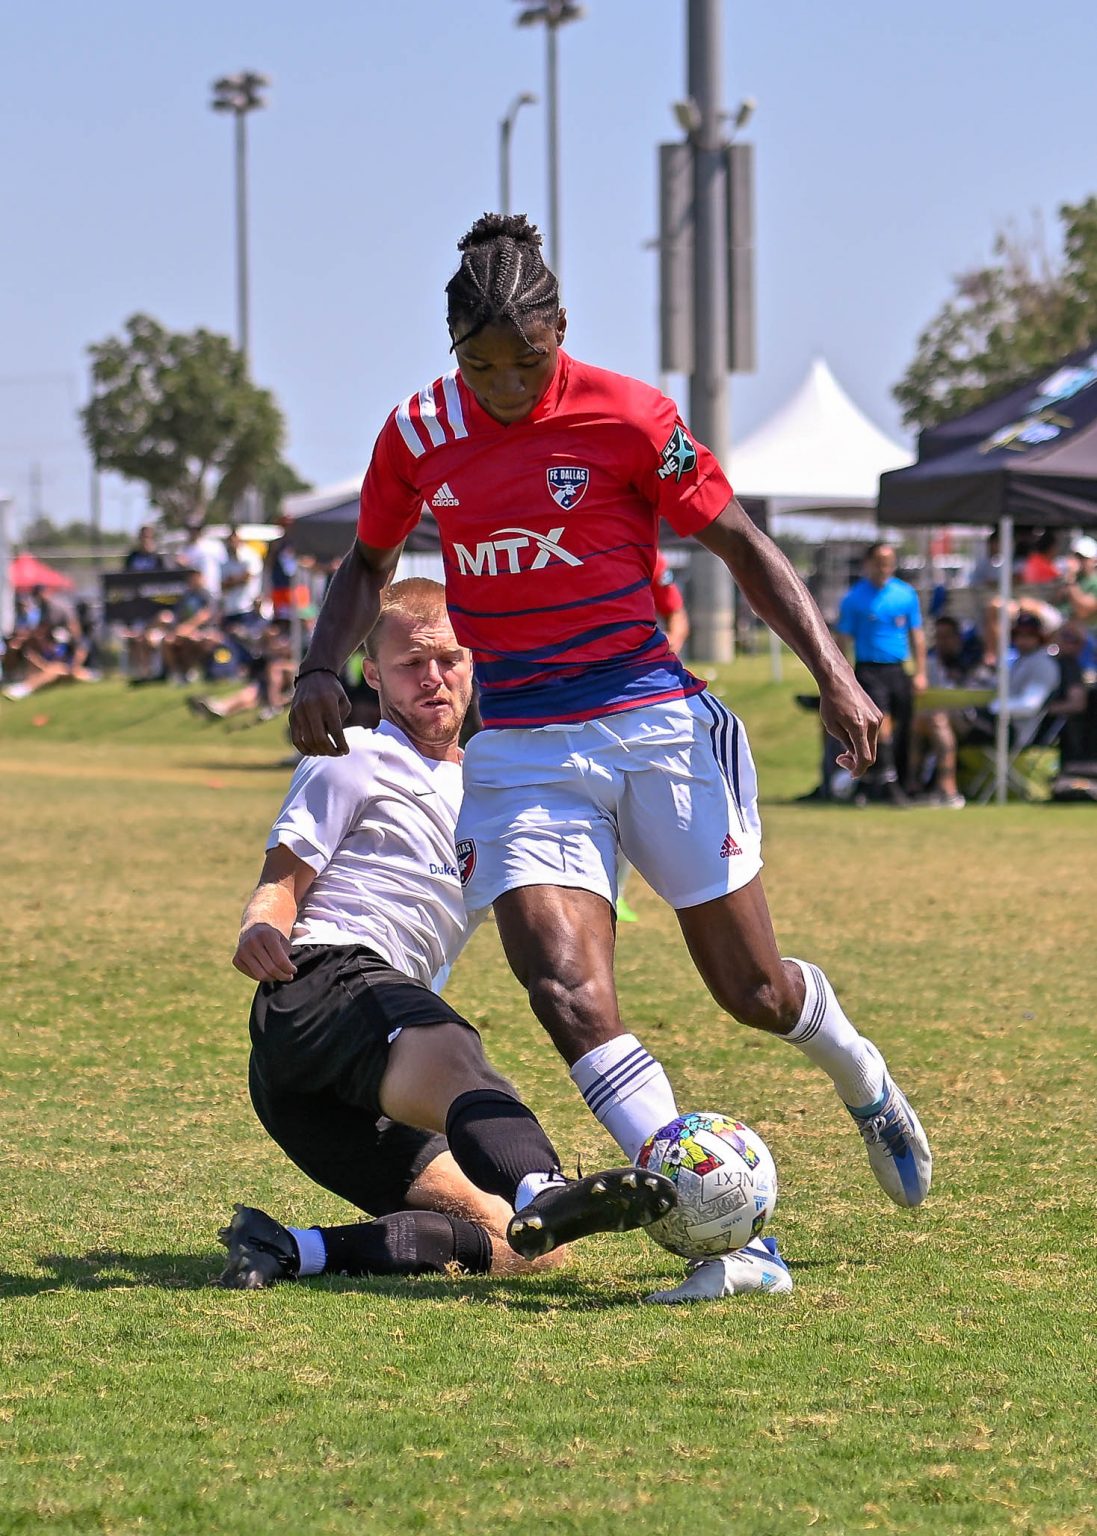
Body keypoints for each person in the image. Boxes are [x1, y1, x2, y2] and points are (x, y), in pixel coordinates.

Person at [288, 214, 930, 1301]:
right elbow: (365, 560)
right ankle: (726, 1238)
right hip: (523, 747)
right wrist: (318, 663)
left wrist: (835, 673)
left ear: (560, 332)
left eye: (523, 362)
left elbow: (739, 541)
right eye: (478, 364)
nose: (500, 385)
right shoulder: (417, 434)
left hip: (655, 727)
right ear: (452, 351)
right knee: (564, 987)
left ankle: (860, 1075)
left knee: (753, 992)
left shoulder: (630, 417)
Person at [220, 577, 676, 1290]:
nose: (432, 677)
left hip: (332, 1094)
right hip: (320, 988)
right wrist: (258, 927)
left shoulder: (497, 793)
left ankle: (287, 1248)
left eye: (448, 659)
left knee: (524, 1247)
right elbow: (281, 884)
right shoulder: (353, 755)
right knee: (458, 1054)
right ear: (373, 672)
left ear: (474, 662)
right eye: (409, 664)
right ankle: (542, 1181)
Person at [835, 542, 927, 804]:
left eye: (889, 562)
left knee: (905, 726)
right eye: (879, 562)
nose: (884, 567)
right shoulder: (855, 598)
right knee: (882, 725)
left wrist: (921, 672)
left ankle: (902, 780)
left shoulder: (905, 594)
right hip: (869, 669)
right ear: (868, 564)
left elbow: (917, 636)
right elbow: (843, 639)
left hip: (897, 669)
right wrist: (843, 676)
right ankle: (886, 782)